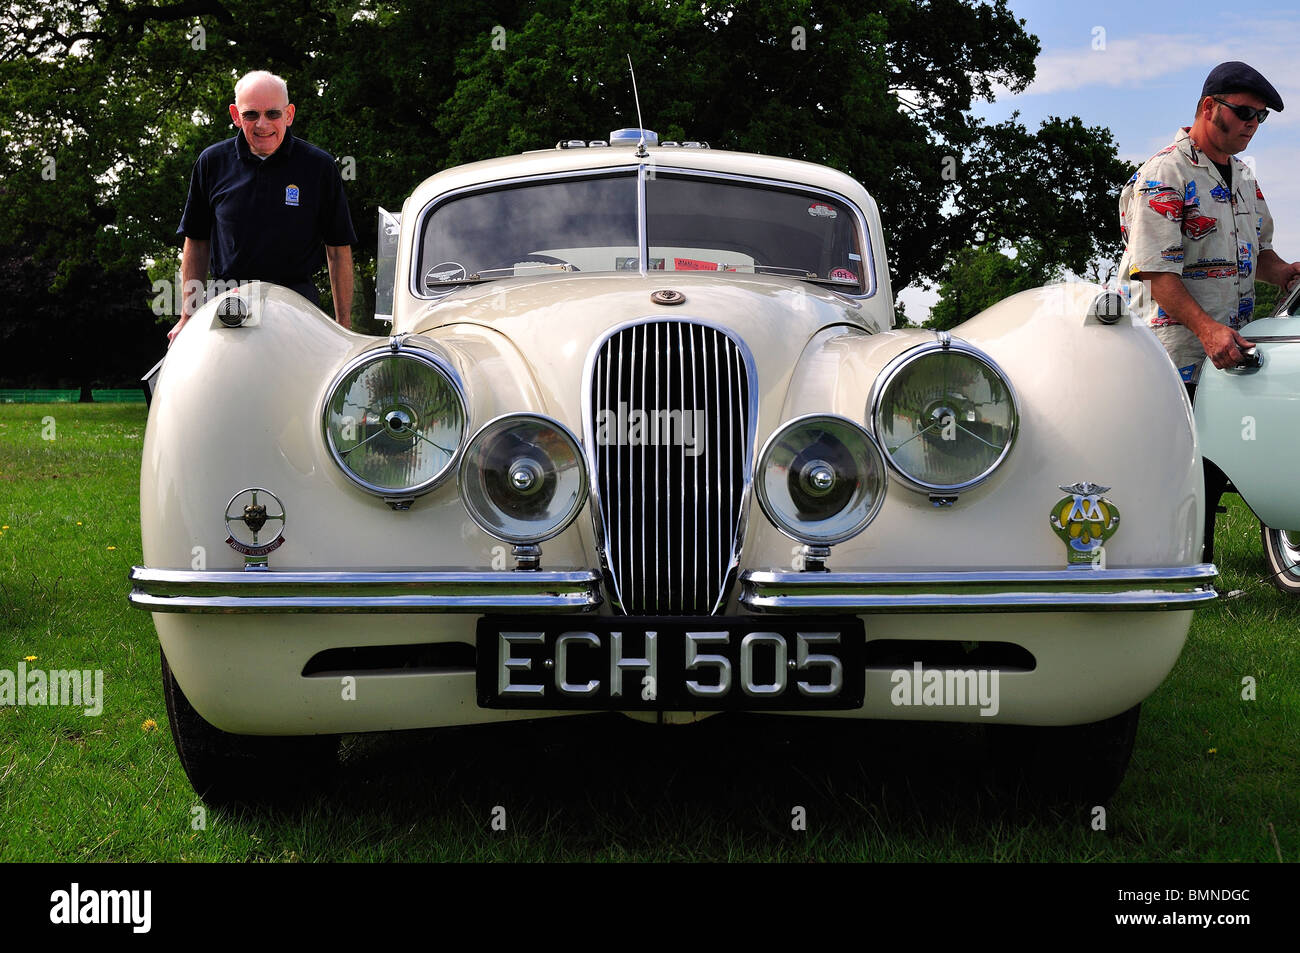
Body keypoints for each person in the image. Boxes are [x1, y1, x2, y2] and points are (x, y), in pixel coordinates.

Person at [1118, 61, 1300, 562]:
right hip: (1174, 351)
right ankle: (1163, 570)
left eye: (1260, 118)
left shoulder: (1244, 177)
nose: (1251, 125)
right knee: (1175, 467)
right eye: (1243, 112)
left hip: (1229, 348)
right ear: (1207, 107)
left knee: (1214, 465)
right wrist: (1207, 330)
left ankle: (1197, 567)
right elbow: (1156, 276)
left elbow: (1257, 254)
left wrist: (1284, 272)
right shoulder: (1164, 173)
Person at [169, 70, 357, 344]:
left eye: (273, 114)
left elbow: (338, 251)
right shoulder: (211, 163)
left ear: (289, 115)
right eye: (251, 115)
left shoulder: (319, 167)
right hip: (230, 299)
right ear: (235, 116)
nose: (262, 124)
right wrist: (187, 316)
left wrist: (343, 328)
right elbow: (196, 242)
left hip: (297, 303)